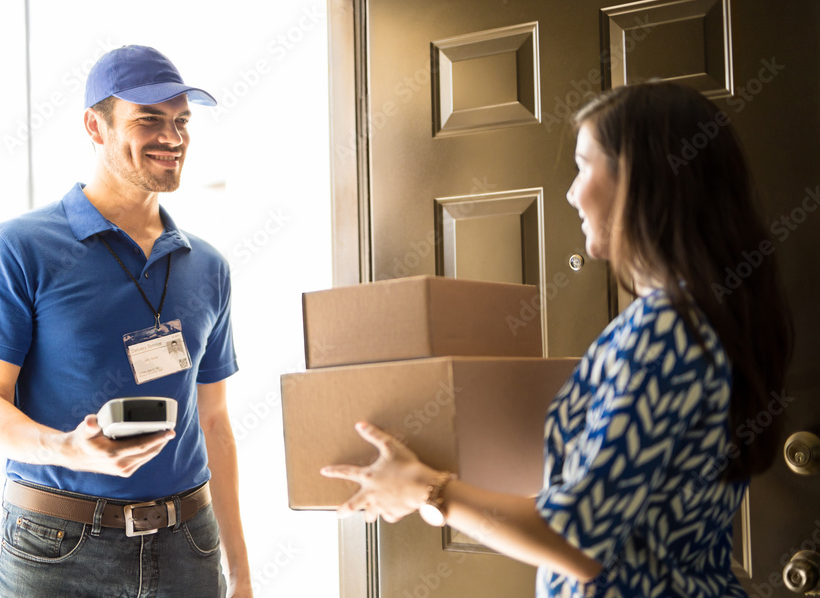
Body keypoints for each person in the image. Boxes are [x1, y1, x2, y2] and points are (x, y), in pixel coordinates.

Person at [322, 81, 792, 598]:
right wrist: (429, 488)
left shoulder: (663, 329)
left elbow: (577, 541)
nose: (570, 193)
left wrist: (429, 489)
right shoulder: (695, 319)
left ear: (640, 179)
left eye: (583, 166)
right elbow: (603, 503)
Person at [0, 45, 251, 597]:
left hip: (188, 545)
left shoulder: (208, 265)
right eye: (149, 119)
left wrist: (239, 573)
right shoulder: (18, 249)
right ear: (95, 127)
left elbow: (215, 422)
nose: (172, 136)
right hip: (58, 547)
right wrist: (67, 449)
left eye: (181, 121)